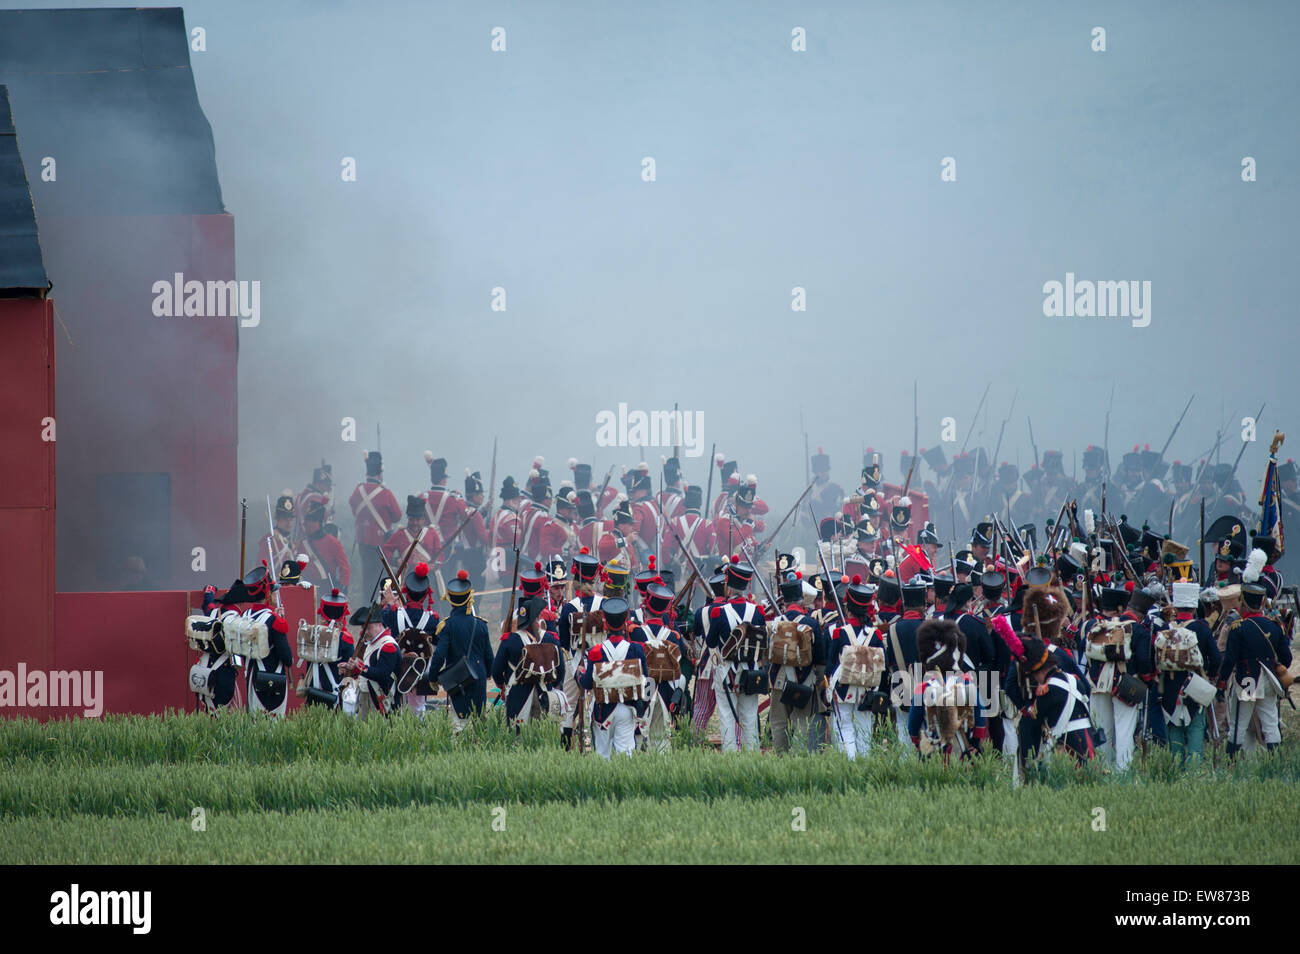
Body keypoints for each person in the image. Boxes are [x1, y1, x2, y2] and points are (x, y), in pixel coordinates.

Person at [1217, 583, 1291, 756]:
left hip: (1248, 680)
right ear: (1262, 601)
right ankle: (1275, 764)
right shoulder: (1274, 626)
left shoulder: (1238, 628)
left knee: (1238, 725)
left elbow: (1229, 660)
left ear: (1243, 602)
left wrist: (1221, 684)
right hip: (1268, 679)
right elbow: (1287, 659)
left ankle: (1232, 765)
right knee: (1271, 723)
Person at [1155, 581, 1222, 766]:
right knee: (1195, 729)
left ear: (1176, 607)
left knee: (1174, 729)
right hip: (1195, 685)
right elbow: (1216, 659)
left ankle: (1176, 770)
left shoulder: (1165, 628)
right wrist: (1209, 674)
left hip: (1169, 686)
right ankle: (1194, 773)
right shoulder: (1202, 628)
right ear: (1194, 607)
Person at [705, 557, 768, 752]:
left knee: (726, 716)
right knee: (749, 715)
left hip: (727, 672)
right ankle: (752, 756)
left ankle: (730, 757)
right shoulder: (756, 611)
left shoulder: (719, 612)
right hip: (750, 671)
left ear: (728, 587)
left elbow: (711, 643)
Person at [577, 597, 648, 758]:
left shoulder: (597, 651)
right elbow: (645, 679)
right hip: (627, 709)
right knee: (626, 756)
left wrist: (580, 674)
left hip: (603, 710)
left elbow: (587, 684)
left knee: (602, 756)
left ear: (605, 624)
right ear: (625, 622)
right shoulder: (636, 649)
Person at [825, 577, 886, 759]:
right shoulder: (875, 634)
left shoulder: (839, 632)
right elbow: (883, 662)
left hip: (843, 689)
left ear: (848, 607)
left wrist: (828, 687)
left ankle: (849, 762)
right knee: (865, 727)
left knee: (843, 727)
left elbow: (830, 664)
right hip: (867, 689)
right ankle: (864, 762)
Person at [908, 618, 986, 760]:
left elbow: (913, 723)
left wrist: (917, 742)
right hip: (963, 748)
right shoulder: (967, 682)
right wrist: (976, 740)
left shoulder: (923, 688)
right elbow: (980, 711)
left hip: (931, 751)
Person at [767, 571, 825, 753]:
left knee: (778, 724)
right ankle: (799, 759)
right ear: (802, 599)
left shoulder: (775, 623)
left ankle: (780, 758)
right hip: (804, 681)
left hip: (778, 681)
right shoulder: (811, 623)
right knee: (802, 724)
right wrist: (820, 681)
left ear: (785, 600)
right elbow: (820, 657)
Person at [430, 570, 494, 734]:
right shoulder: (480, 625)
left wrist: (433, 678)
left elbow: (439, 655)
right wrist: (488, 673)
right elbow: (489, 655)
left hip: (458, 676)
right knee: (478, 719)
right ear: (469, 598)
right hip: (478, 674)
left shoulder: (447, 626)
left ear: (450, 601)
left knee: (459, 721)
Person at [631, 582, 690, 752]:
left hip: (646, 685)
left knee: (638, 732)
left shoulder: (635, 632)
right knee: (662, 734)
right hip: (666, 688)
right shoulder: (673, 635)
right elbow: (680, 657)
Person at [1018, 636, 1095, 766]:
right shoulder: (1073, 679)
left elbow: (1031, 726)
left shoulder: (1048, 690)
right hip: (1088, 742)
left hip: (1069, 748)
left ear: (1039, 671)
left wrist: (1028, 760)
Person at [557, 548, 605, 750]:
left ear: (576, 578)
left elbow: (564, 642)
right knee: (598, 704)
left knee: (568, 708)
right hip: (601, 659)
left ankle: (566, 748)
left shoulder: (569, 608)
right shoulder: (605, 604)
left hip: (575, 660)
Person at [492, 596, 565, 728]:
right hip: (545, 693)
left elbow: (496, 670)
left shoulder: (509, 641)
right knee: (543, 735)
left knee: (517, 736)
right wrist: (555, 684)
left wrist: (501, 685)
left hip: (517, 693)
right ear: (537, 618)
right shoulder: (551, 639)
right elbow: (561, 671)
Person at [383, 562, 440, 716]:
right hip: (421, 669)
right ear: (426, 594)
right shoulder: (433, 619)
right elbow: (436, 641)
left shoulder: (393, 614)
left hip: (398, 667)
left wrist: (388, 602)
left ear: (405, 592)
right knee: (419, 706)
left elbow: (381, 617)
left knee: (396, 704)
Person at [238, 564, 294, 717]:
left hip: (252, 677)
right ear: (268, 593)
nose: (277, 593)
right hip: (273, 681)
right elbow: (287, 658)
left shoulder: (245, 615)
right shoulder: (275, 620)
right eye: (274, 590)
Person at [349, 451, 402, 603]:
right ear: (380, 473)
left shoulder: (358, 491)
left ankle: (367, 604)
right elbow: (397, 516)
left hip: (362, 541)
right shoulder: (385, 493)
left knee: (367, 576)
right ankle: (379, 607)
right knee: (381, 578)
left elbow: (353, 507)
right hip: (381, 542)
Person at [296, 586, 354, 709]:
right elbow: (350, 670)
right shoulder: (345, 638)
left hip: (312, 689)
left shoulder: (311, 632)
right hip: (333, 690)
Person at [339, 603, 399, 719]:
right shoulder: (373, 643)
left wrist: (359, 666)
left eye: (368, 627)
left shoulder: (388, 646)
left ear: (379, 625)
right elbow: (368, 671)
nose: (364, 631)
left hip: (379, 699)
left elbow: (382, 674)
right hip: (367, 696)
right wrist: (351, 668)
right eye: (363, 627)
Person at [298, 498, 350, 591]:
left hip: (327, 589)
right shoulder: (302, 544)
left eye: (309, 520)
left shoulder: (332, 542)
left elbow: (344, 568)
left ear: (317, 522)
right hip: (306, 588)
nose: (305, 524)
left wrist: (343, 587)